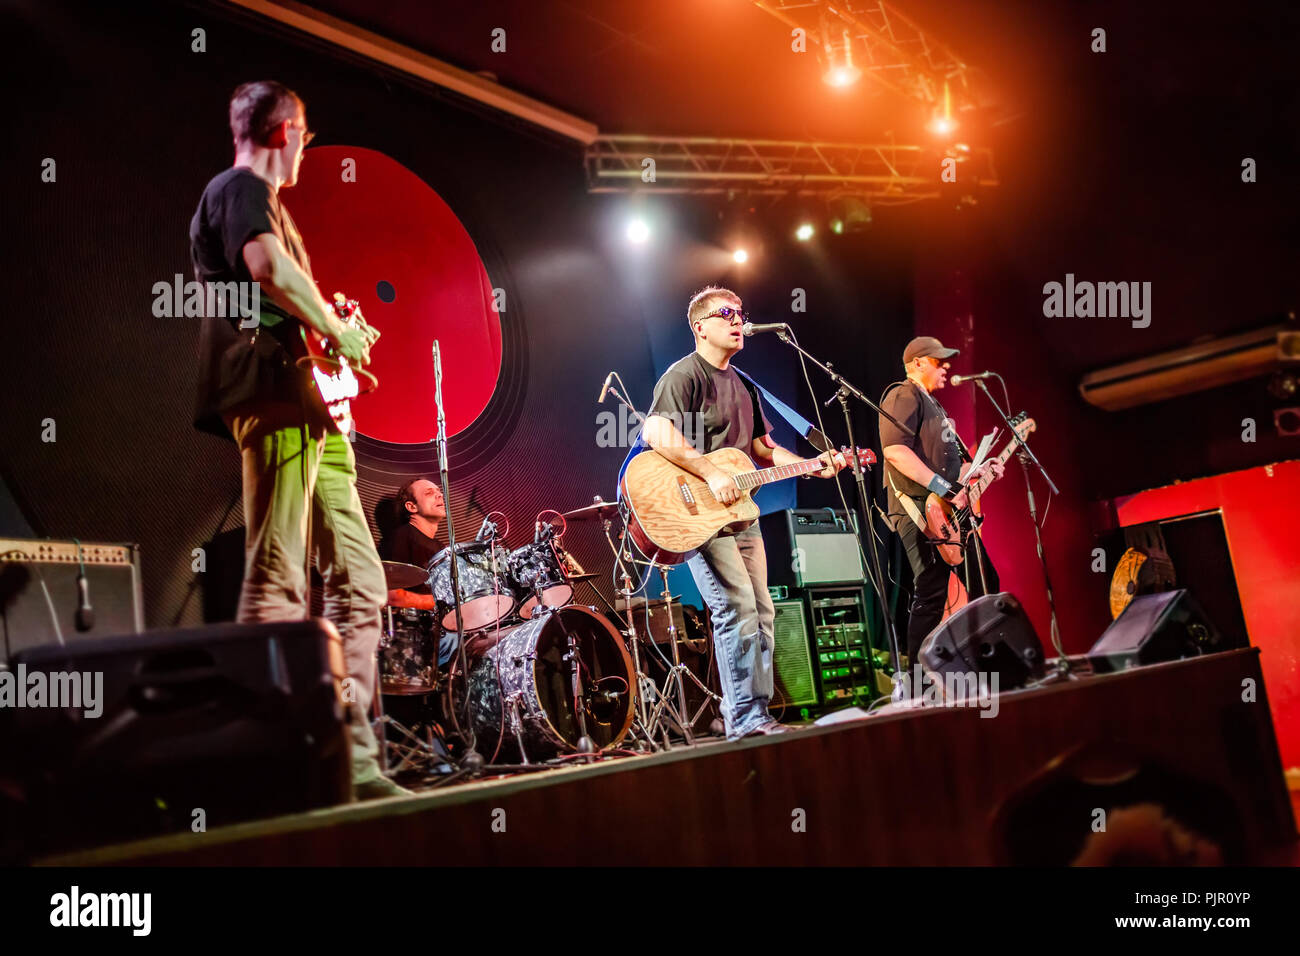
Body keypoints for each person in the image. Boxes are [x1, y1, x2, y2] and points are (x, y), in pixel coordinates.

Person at [190, 80, 406, 799]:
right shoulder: (239, 186)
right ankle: (274, 772)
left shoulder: (270, 207)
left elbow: (287, 297)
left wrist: (334, 341)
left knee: (362, 582)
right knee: (277, 576)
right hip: (272, 394)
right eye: (307, 134)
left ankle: (353, 764)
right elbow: (266, 271)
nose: (308, 148)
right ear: (285, 129)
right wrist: (339, 329)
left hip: (307, 401)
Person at [640, 286, 846, 739]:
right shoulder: (683, 375)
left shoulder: (746, 385)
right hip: (696, 513)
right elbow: (656, 429)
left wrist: (814, 466)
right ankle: (745, 719)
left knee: (763, 610)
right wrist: (708, 472)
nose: (738, 320)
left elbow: (764, 450)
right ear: (700, 327)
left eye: (741, 312)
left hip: (741, 514)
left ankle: (755, 713)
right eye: (726, 313)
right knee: (735, 607)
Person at [878, 336, 1004, 669]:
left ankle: (986, 661)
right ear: (916, 364)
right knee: (931, 592)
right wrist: (945, 489)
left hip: (948, 510)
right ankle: (919, 682)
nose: (946, 367)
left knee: (986, 582)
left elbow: (951, 468)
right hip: (919, 507)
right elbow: (895, 452)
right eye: (938, 361)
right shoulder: (903, 394)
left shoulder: (936, 407)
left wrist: (978, 470)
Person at [380, 477, 459, 667]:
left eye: (438, 491)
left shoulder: (441, 548)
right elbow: (391, 597)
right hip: (412, 642)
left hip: (440, 633)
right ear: (412, 507)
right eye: (429, 493)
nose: (439, 495)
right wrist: (439, 604)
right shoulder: (401, 538)